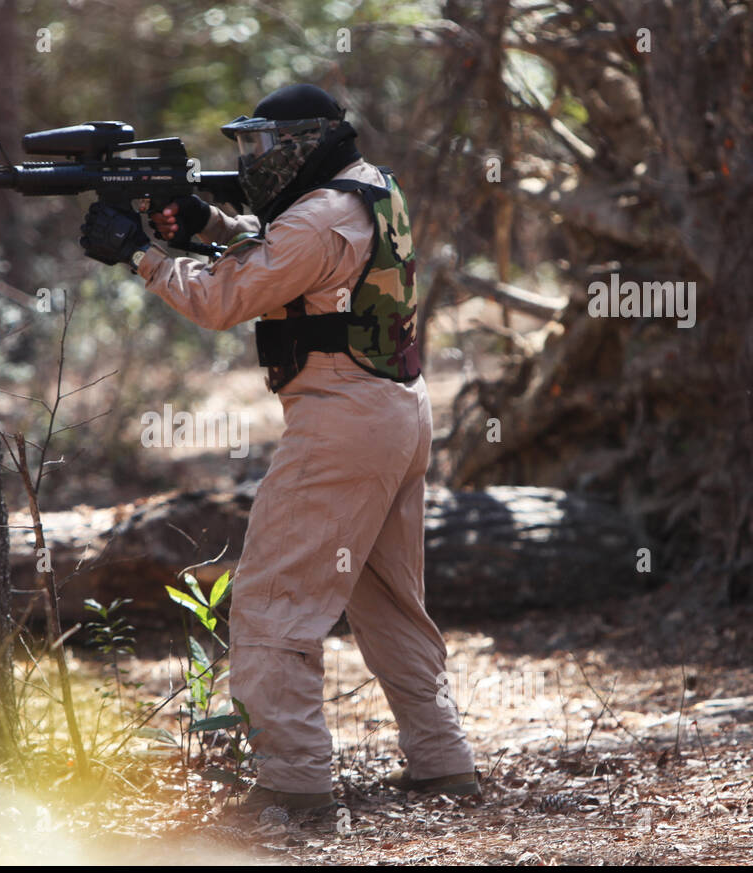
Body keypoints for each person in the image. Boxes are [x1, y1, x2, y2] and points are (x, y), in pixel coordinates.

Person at [79, 83, 478, 822]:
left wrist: (141, 252)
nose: (254, 160)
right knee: (389, 602)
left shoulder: (320, 214)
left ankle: (294, 789)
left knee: (271, 602)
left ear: (302, 143)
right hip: (393, 410)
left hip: (342, 421)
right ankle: (443, 761)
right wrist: (204, 223)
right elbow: (284, 261)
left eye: (263, 145)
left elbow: (223, 301)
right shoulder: (366, 189)